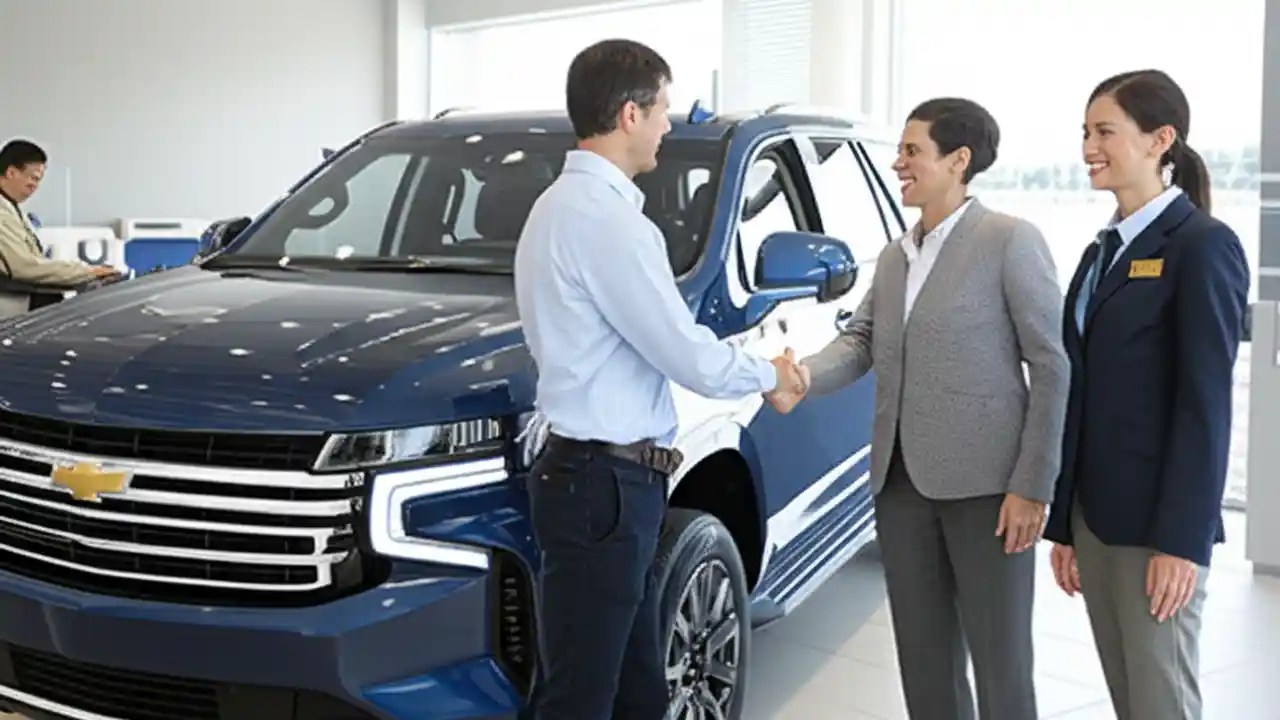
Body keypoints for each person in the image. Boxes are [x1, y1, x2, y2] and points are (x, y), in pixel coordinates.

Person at [511, 39, 807, 720]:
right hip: (603, 484)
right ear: (628, 114)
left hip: (596, 480)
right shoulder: (607, 222)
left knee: (635, 681)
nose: (669, 126)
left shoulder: (556, 209)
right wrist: (770, 374)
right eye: (663, 109)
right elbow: (687, 353)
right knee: (581, 693)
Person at [798, 98, 1070, 720]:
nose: (898, 163)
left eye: (911, 151)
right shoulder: (897, 255)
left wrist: (1033, 484)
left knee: (1002, 667)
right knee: (925, 664)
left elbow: (1053, 364)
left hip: (988, 491)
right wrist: (802, 377)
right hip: (900, 484)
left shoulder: (1009, 240)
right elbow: (861, 341)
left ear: (959, 160)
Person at [1043, 69, 1250, 720]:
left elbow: (1204, 406)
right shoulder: (1099, 252)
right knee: (1129, 698)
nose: (1087, 149)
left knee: (1162, 700)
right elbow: (1080, 391)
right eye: (1084, 133)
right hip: (1094, 516)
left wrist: (1182, 543)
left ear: (1162, 139)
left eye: (1105, 131)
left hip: (1156, 527)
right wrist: (1064, 523)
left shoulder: (1201, 246)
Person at [0, 139, 117, 318]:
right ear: (11, 172)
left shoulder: (11, 207)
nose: (35, 186)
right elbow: (24, 266)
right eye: (33, 178)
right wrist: (87, 272)